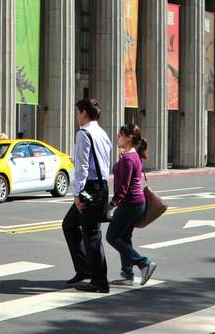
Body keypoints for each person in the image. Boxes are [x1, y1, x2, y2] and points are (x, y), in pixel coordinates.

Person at [62, 98, 112, 292]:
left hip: (89, 187)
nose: (76, 117)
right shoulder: (102, 133)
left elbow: (81, 166)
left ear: (84, 113)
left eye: (77, 112)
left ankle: (100, 282)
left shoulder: (84, 133)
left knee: (92, 235)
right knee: (70, 225)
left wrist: (77, 193)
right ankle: (85, 269)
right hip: (100, 186)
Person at [107, 125, 156, 286]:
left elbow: (123, 186)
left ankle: (144, 263)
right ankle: (127, 274)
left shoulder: (129, 158)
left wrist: (112, 204)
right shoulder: (131, 155)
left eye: (120, 135)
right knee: (124, 238)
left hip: (129, 204)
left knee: (112, 236)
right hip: (135, 203)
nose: (117, 137)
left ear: (128, 138)